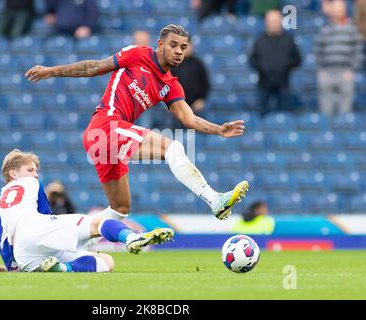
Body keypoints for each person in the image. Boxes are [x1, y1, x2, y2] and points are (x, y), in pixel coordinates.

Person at [25, 24, 249, 223]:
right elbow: (93, 67)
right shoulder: (137, 54)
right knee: (173, 148)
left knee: (120, 209)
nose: (179, 51)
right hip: (105, 126)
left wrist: (219, 129)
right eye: (173, 45)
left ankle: (60, 232)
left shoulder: (171, 85)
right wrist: (51, 71)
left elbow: (189, 119)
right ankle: (214, 199)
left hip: (106, 141)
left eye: (183, 46)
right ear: (160, 45)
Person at [0, 149, 174, 273]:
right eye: (30, 170)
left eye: (36, 171)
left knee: (106, 262)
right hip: (36, 230)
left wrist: (1, 270)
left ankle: (63, 269)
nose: (35, 175)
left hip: (23, 259)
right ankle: (130, 238)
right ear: (13, 173)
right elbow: (46, 220)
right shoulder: (30, 184)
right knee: (96, 224)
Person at [314, 0, 363, 115]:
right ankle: (327, 132)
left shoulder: (352, 29)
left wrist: (351, 70)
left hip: (345, 72)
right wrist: (321, 71)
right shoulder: (324, 30)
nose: (337, 13)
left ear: (344, 11)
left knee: (345, 112)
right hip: (327, 73)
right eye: (335, 10)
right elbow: (317, 52)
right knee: (326, 111)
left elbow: (358, 51)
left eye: (339, 10)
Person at [249, 10, 301, 116]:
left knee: (285, 115)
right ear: (266, 22)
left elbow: (297, 59)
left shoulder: (288, 39)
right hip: (264, 84)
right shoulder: (259, 40)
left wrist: (285, 65)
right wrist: (263, 67)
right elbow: (252, 60)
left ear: (281, 21)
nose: (273, 23)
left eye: (276, 21)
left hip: (283, 84)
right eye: (271, 21)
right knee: (262, 115)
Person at [171, 35, 210, 127]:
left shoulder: (198, 63)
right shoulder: (173, 64)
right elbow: (167, 84)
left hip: (195, 106)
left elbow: (206, 84)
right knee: (177, 134)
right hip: (177, 106)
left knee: (196, 133)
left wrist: (201, 100)